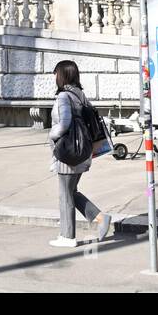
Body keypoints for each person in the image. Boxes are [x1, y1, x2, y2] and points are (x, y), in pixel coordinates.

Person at [47, 59, 111, 248]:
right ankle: (100, 217)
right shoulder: (80, 95)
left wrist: (51, 135)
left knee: (65, 194)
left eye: (56, 73)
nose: (54, 77)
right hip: (83, 151)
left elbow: (64, 124)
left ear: (63, 75)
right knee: (71, 192)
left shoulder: (63, 97)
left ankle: (67, 236)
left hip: (68, 152)